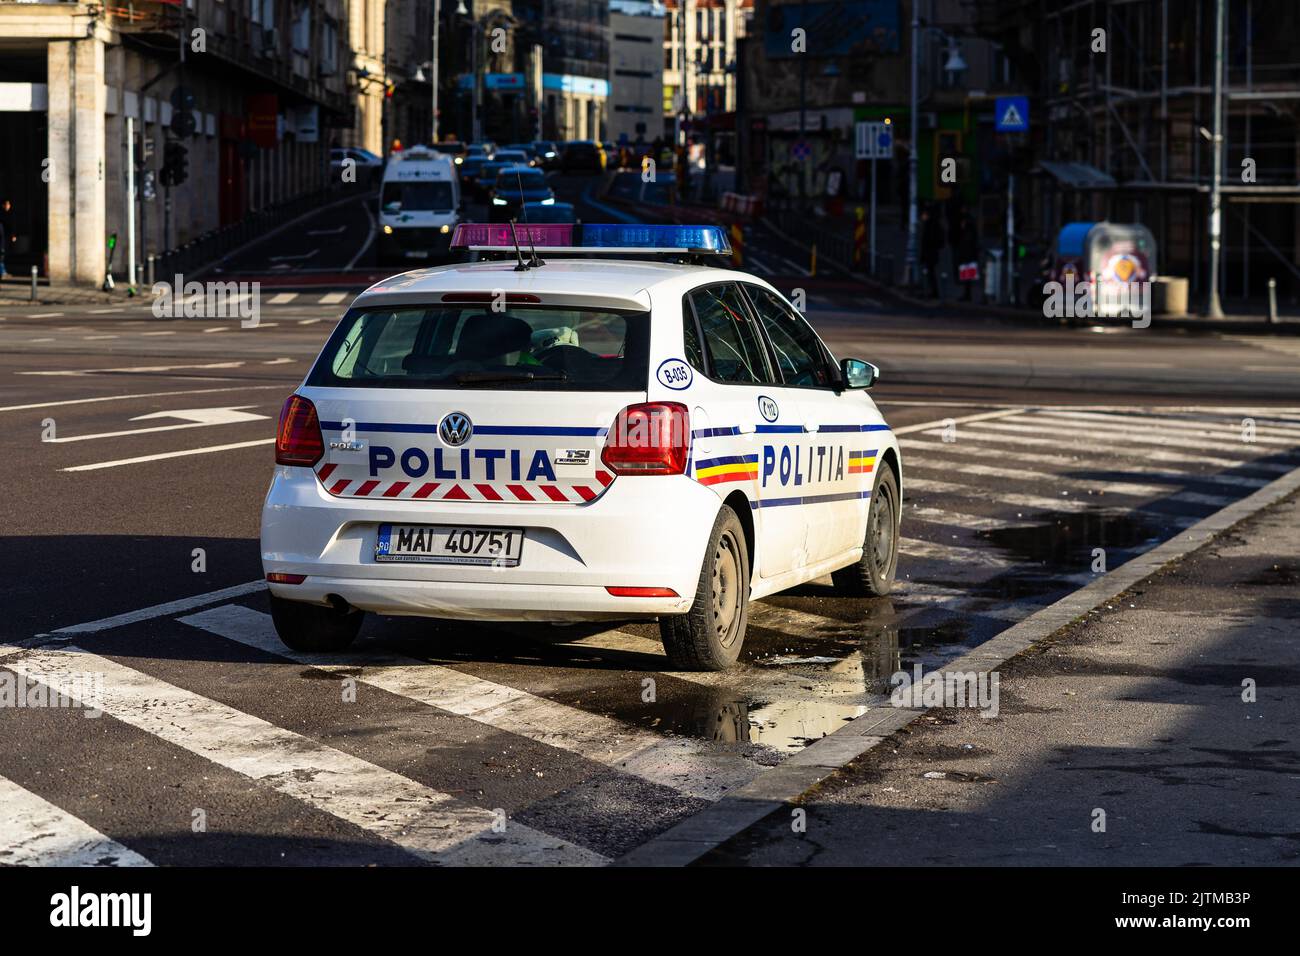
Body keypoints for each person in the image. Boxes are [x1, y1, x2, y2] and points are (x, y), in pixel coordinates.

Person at [920, 205, 943, 299]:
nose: (922, 216)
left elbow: (928, 241)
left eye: (924, 214)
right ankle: (932, 291)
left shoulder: (931, 225)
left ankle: (934, 292)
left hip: (930, 253)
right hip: (931, 253)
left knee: (931, 273)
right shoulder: (931, 224)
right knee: (930, 273)